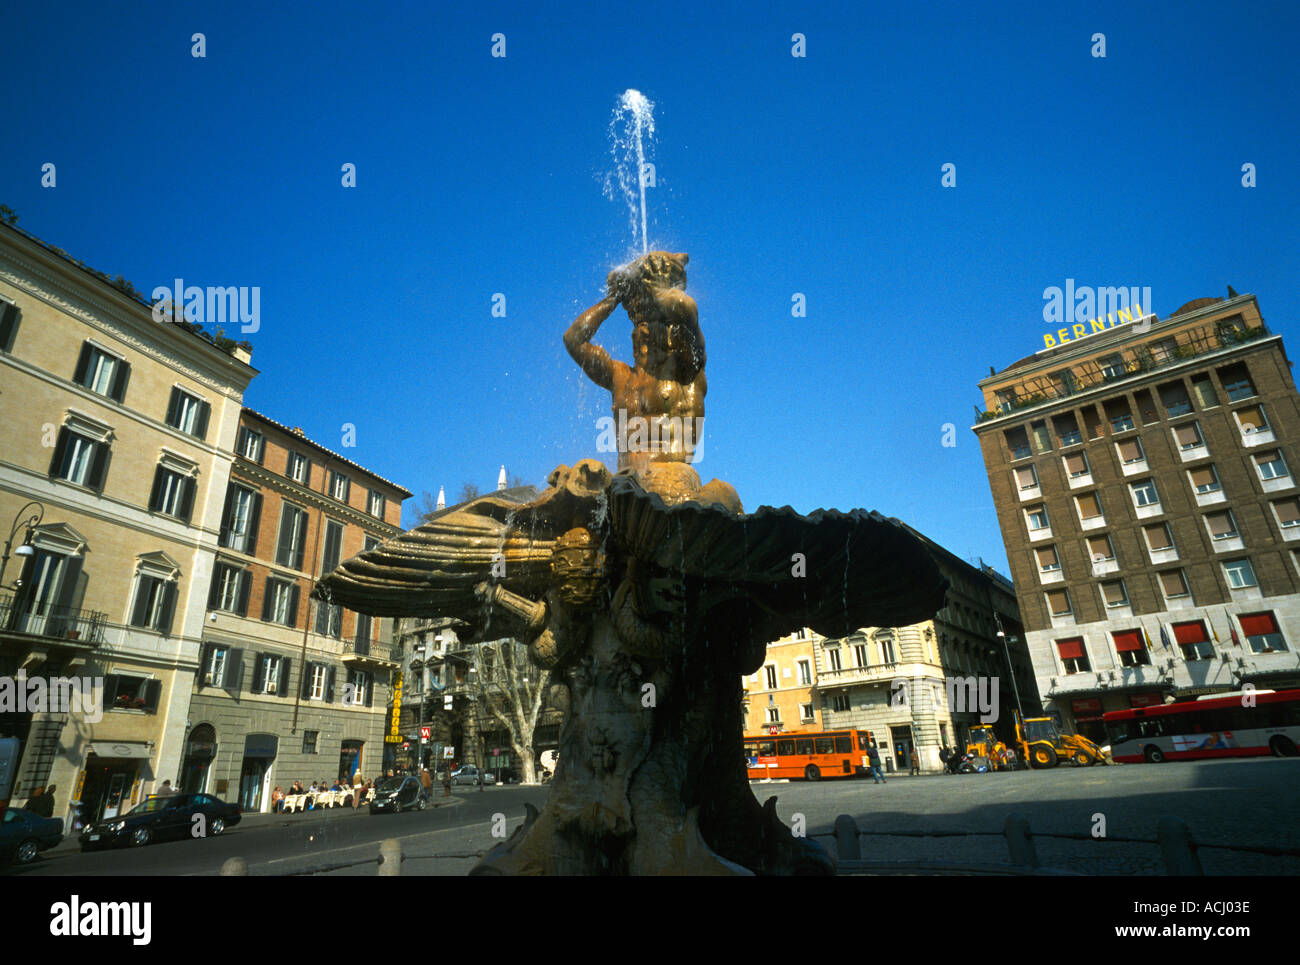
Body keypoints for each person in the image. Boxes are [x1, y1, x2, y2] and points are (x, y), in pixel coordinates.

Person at [564, 251, 707, 473]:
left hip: (674, 482)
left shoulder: (686, 372)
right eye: (641, 330)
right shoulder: (620, 376)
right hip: (626, 488)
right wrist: (613, 299)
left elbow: (686, 309)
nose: (646, 335)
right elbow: (573, 339)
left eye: (656, 329)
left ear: (670, 336)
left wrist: (657, 291)